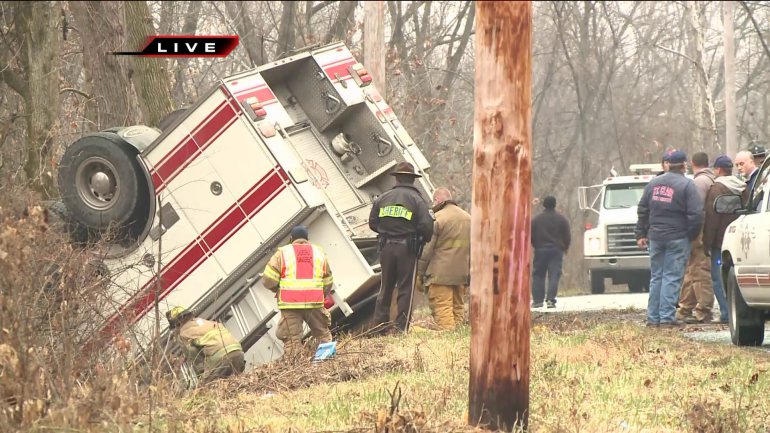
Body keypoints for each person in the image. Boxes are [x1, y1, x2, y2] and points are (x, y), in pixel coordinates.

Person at [635, 150, 703, 327]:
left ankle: (653, 317)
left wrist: (641, 234)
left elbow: (643, 210)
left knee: (656, 276)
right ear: (683, 165)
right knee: (672, 277)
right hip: (678, 237)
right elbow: (696, 214)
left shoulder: (653, 184)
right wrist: (691, 234)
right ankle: (666, 318)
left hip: (655, 237)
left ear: (667, 165)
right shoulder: (687, 185)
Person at [369, 161, 434, 334]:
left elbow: (373, 223)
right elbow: (427, 227)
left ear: (396, 178)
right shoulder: (417, 200)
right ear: (412, 180)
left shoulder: (382, 198)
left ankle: (379, 328)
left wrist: (388, 231)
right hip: (407, 249)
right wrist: (417, 235)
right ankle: (400, 329)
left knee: (385, 288)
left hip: (386, 248)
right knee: (405, 289)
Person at [262, 225, 334, 355]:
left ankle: (299, 370)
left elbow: (268, 279)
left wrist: (277, 289)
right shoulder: (319, 252)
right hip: (314, 301)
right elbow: (328, 279)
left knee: (292, 340)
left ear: (291, 239)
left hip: (290, 303)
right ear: (307, 239)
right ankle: (328, 364)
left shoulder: (282, 253)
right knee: (323, 334)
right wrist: (321, 293)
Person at [417, 187, 471, 330]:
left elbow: (426, 251)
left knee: (443, 309)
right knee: (457, 308)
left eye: (433, 201)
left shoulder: (438, 219)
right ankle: (458, 339)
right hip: (462, 274)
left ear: (437, 200)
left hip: (440, 275)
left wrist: (419, 273)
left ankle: (448, 339)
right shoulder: (469, 218)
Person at [702, 155, 746, 324]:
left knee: (718, 278)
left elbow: (712, 219)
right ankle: (738, 310)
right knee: (734, 277)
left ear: (718, 170)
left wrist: (707, 243)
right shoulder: (743, 187)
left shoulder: (716, 189)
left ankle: (727, 313)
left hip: (720, 243)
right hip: (739, 241)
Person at [676, 152, 715, 323]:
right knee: (692, 271)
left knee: (699, 271)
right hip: (701, 231)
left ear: (692, 163)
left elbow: (695, 210)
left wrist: (692, 233)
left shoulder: (699, 182)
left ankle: (704, 310)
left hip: (697, 233)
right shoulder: (710, 179)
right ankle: (685, 308)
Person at [166, 306, 245, 385]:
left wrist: (201, 371)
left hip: (221, 357)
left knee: (205, 388)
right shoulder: (205, 322)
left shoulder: (183, 333)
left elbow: (192, 350)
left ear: (177, 323)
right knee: (236, 383)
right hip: (238, 351)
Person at [531, 195, 571, 309]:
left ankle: (538, 300)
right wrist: (565, 248)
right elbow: (567, 236)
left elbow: (531, 235)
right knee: (554, 275)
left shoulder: (537, 220)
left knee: (538, 275)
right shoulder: (562, 219)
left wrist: (535, 245)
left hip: (540, 250)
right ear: (555, 204)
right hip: (556, 250)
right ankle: (550, 300)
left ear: (544, 205)